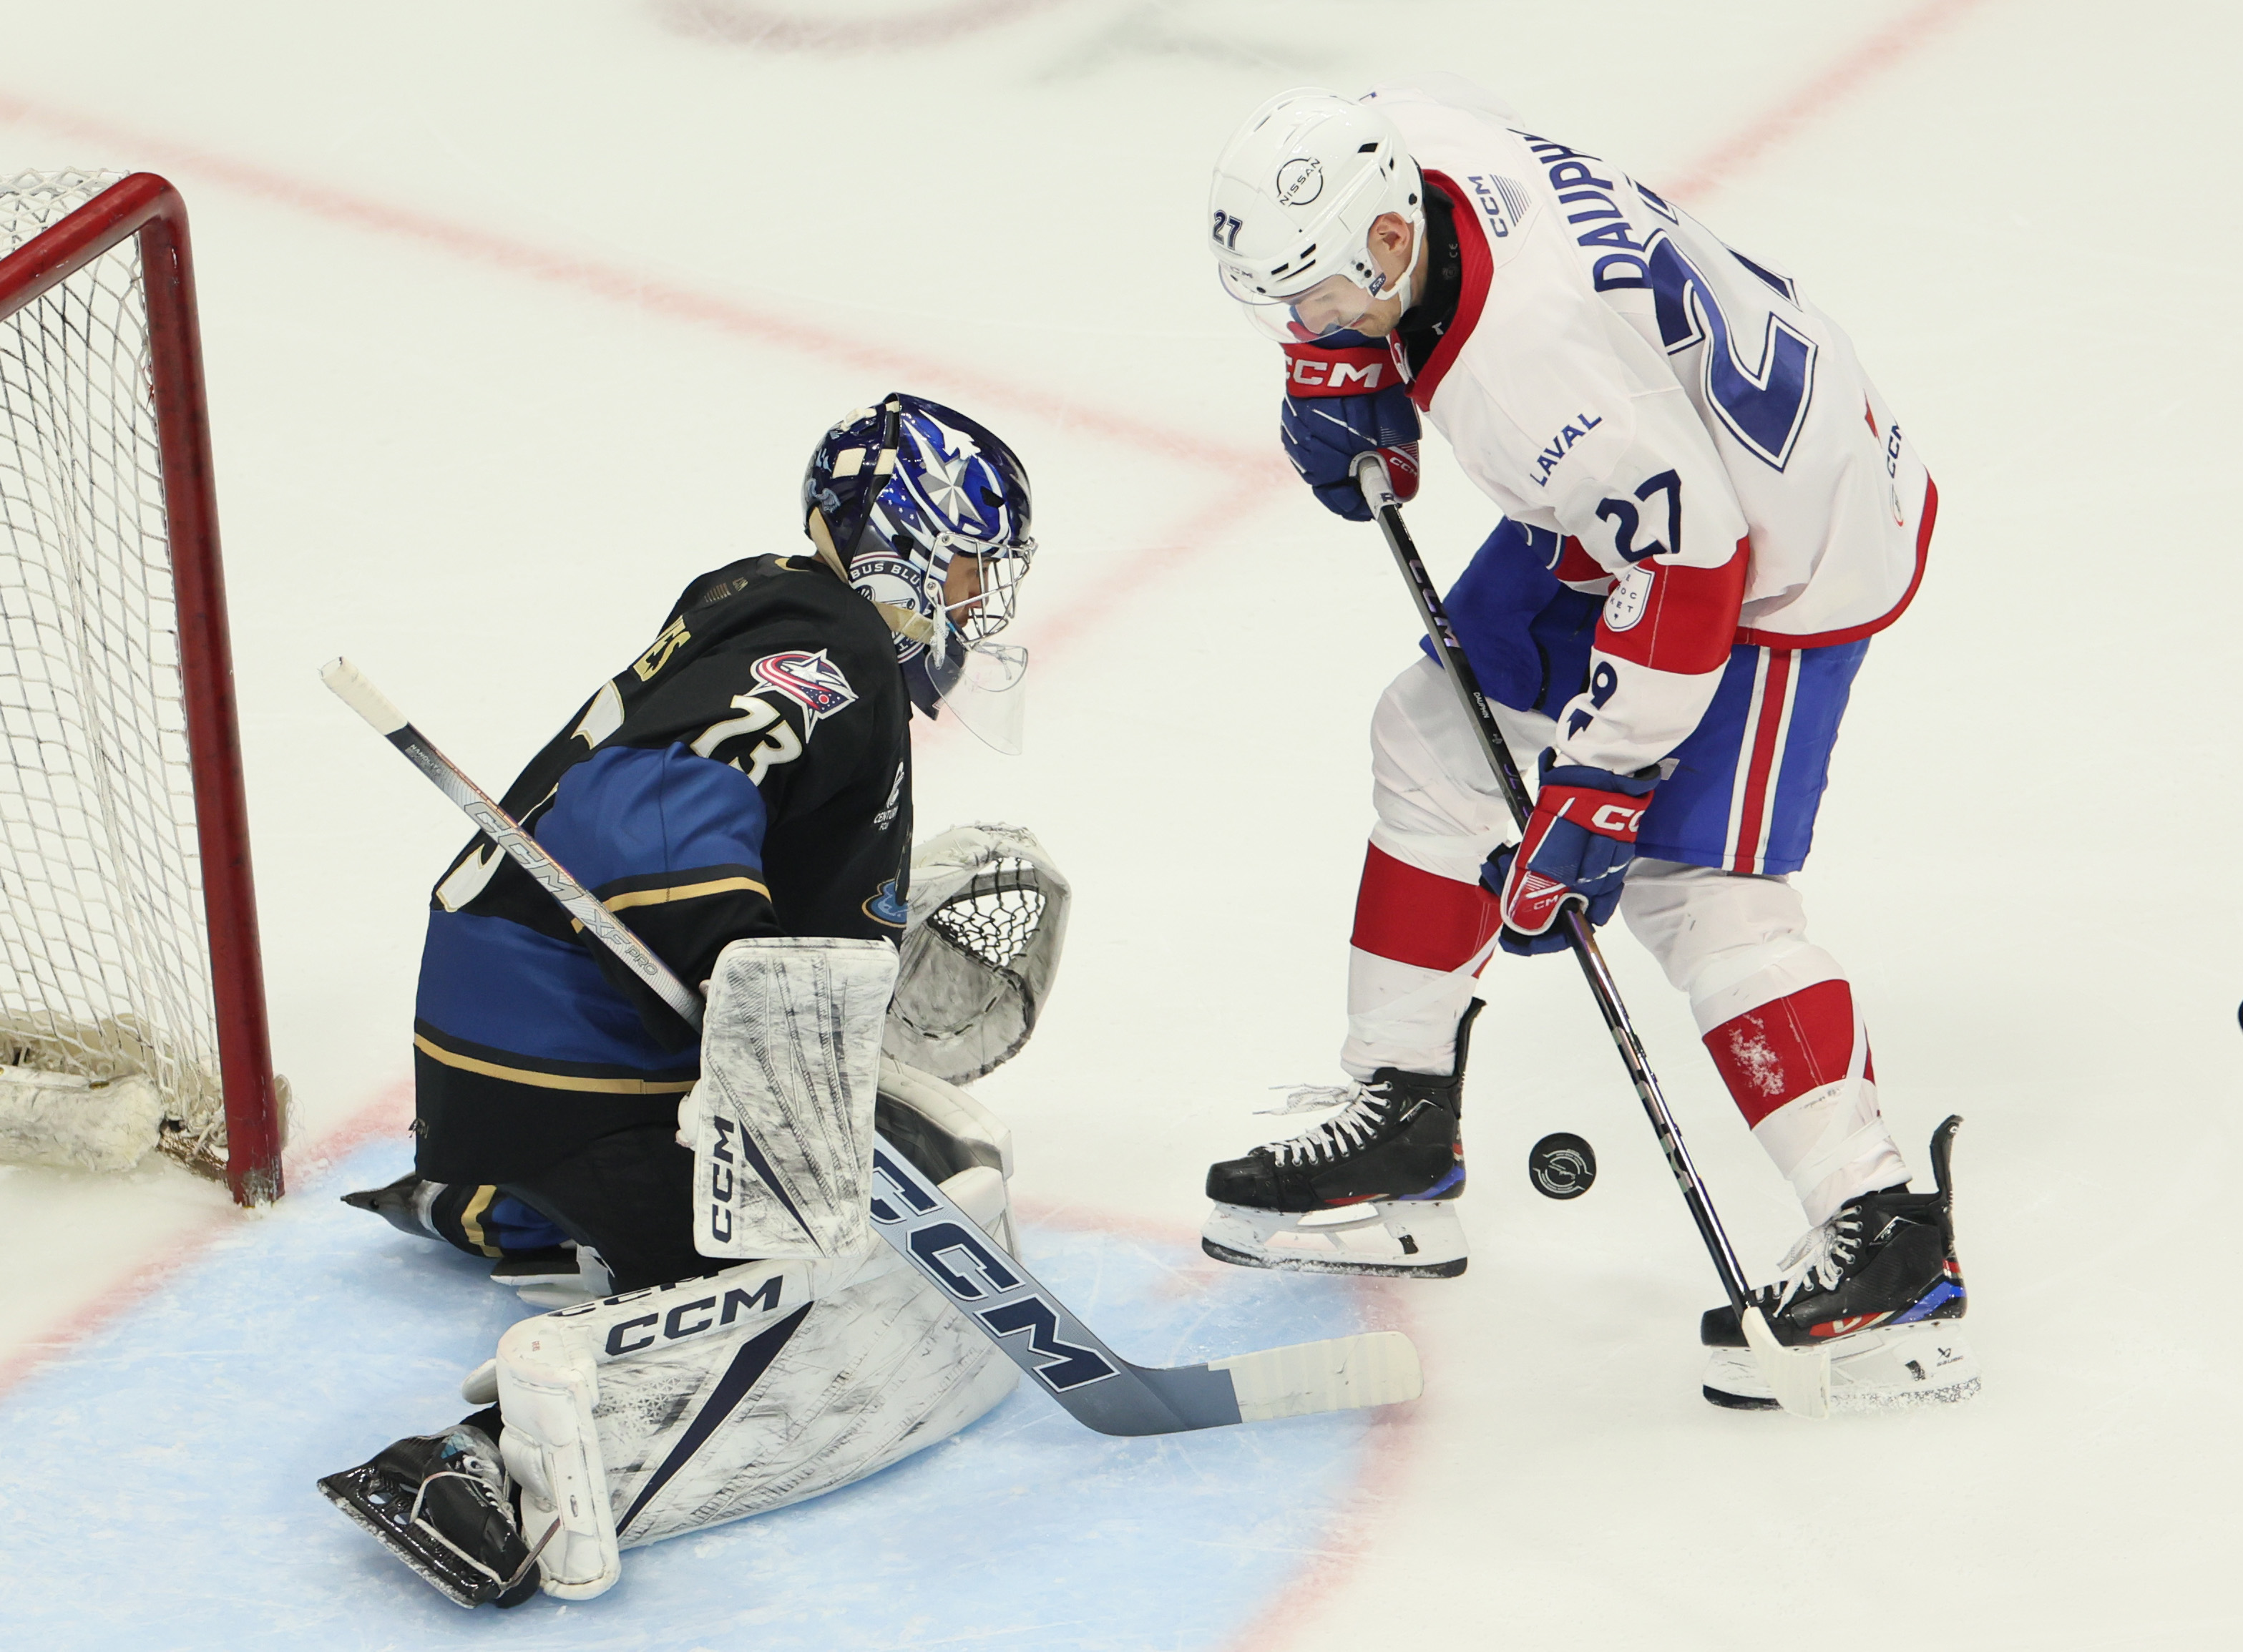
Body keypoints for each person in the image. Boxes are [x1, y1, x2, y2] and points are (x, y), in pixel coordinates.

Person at [1196, 78, 1975, 1412]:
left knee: (1697, 896)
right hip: (1647, 484)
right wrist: (1339, 359)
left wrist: (1597, 788)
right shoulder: (1408, 159)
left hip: (1788, 546)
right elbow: (1625, 481)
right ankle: (1404, 1123)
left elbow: (1693, 567)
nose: (1308, 317)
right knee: (1436, 742)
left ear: (1391, 245)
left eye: (1323, 295)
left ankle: (1891, 1239)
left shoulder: (1527, 373)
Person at [322, 396, 1052, 1606]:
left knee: (783, 1181)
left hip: (507, 1025)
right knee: (779, 1282)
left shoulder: (778, 607)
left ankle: (501, 1201)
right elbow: (644, 811)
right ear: (896, 548)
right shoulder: (835, 651)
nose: (978, 604)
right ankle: (472, 1468)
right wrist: (749, 990)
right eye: (970, 568)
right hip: (560, 1045)